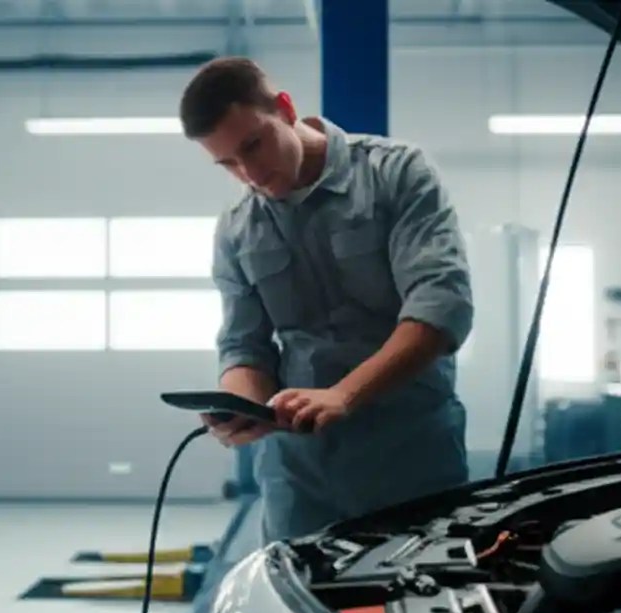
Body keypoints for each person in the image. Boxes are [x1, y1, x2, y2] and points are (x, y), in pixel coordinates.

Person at [178, 57, 475, 543]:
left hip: (412, 461)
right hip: (300, 479)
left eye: (254, 144)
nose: (249, 172)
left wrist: (344, 394)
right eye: (228, 163)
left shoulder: (396, 174)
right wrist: (241, 406)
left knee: (415, 607)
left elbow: (440, 307)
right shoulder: (236, 228)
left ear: (286, 109)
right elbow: (244, 346)